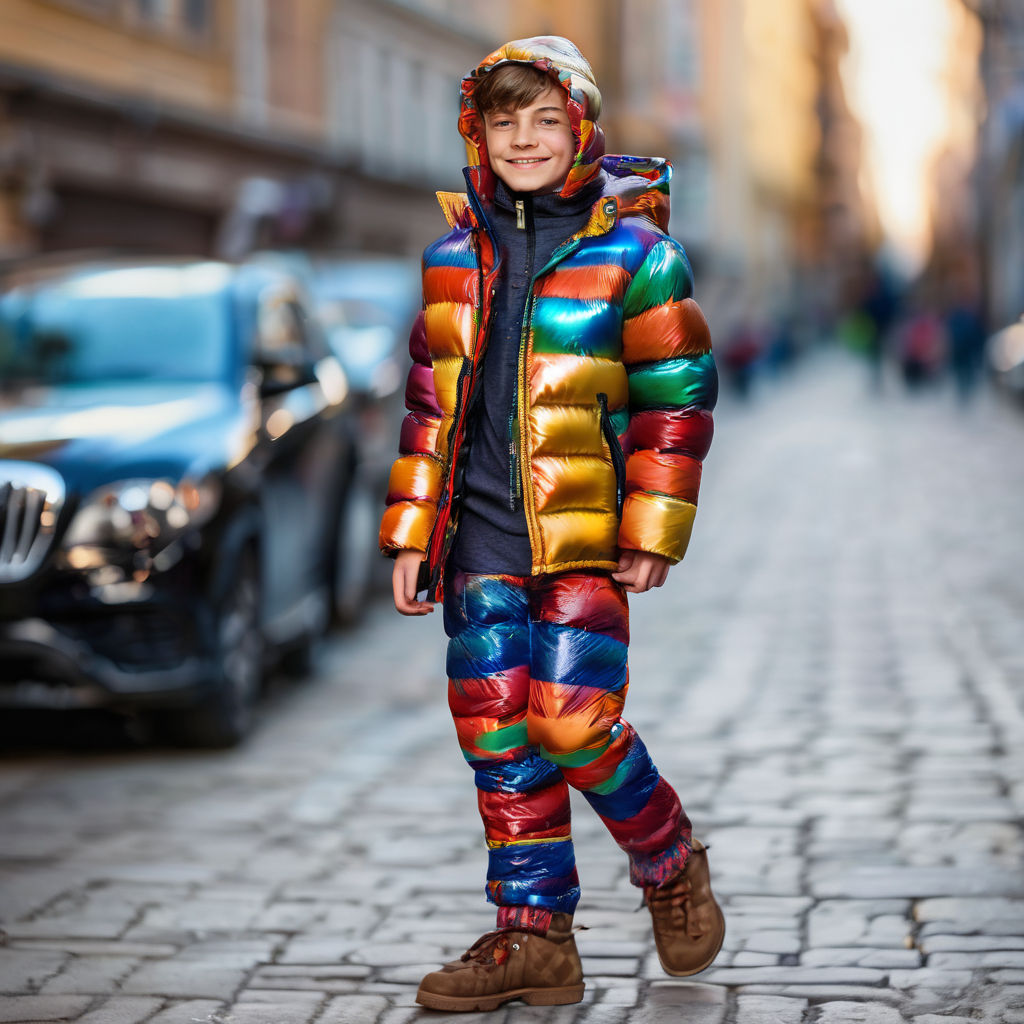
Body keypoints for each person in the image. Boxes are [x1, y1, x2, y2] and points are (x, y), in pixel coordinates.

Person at [379, 36, 722, 1013]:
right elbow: (428, 403)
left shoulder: (638, 256)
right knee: (498, 737)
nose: (523, 139)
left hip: (583, 541)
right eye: (504, 121)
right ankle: (535, 936)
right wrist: (412, 529)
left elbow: (676, 397)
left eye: (543, 119)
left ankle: (667, 858)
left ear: (580, 128)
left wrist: (651, 526)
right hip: (477, 541)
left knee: (572, 721)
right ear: (477, 133)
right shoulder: (451, 258)